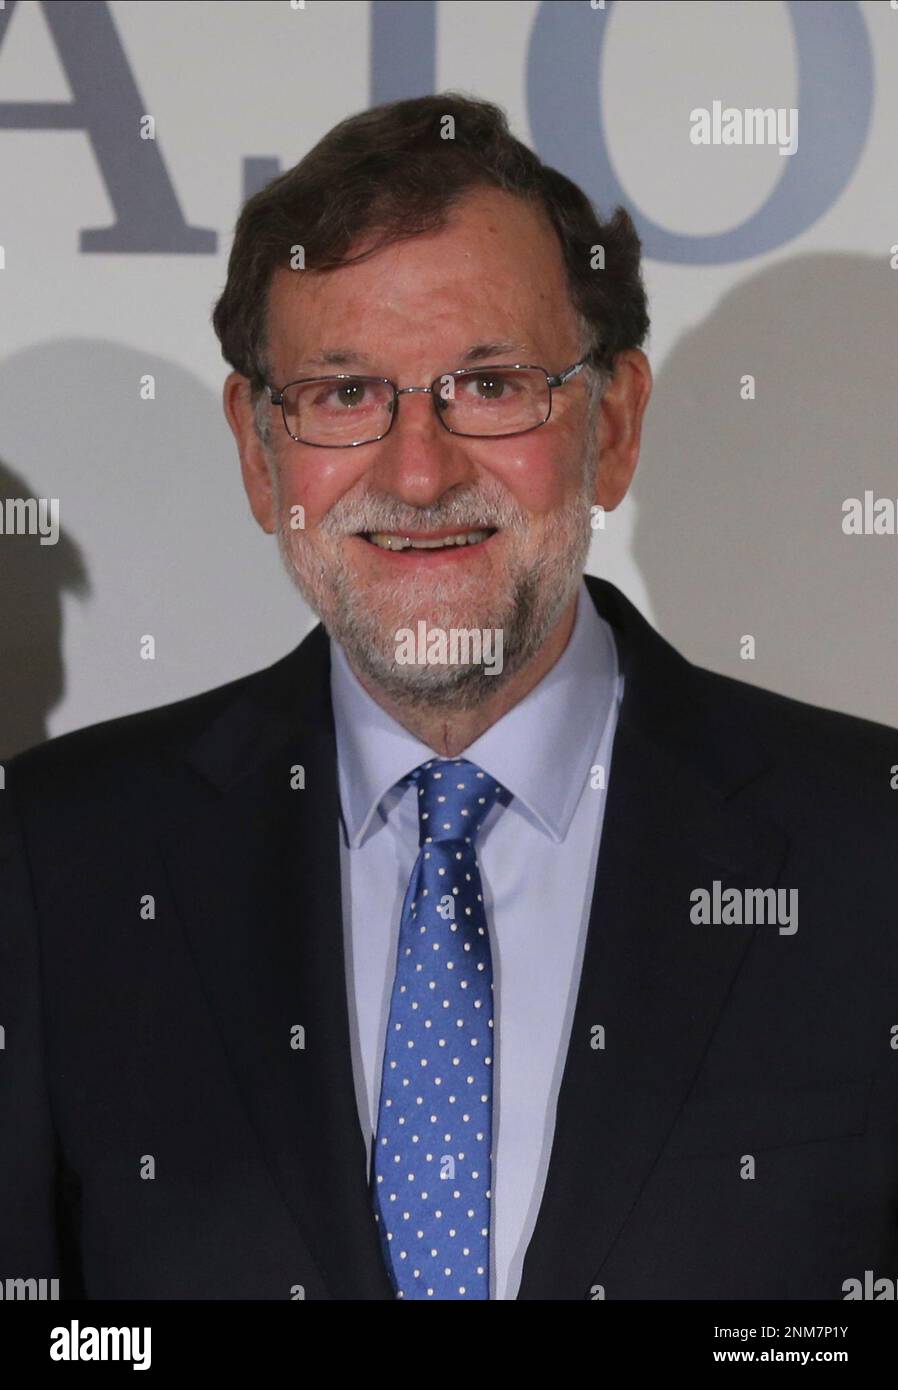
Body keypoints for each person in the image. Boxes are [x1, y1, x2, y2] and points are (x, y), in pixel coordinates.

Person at [1, 92, 895, 1302]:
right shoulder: (58, 860)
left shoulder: (868, 848)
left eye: (490, 385)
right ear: (260, 453)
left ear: (615, 423)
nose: (418, 470)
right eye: (344, 392)